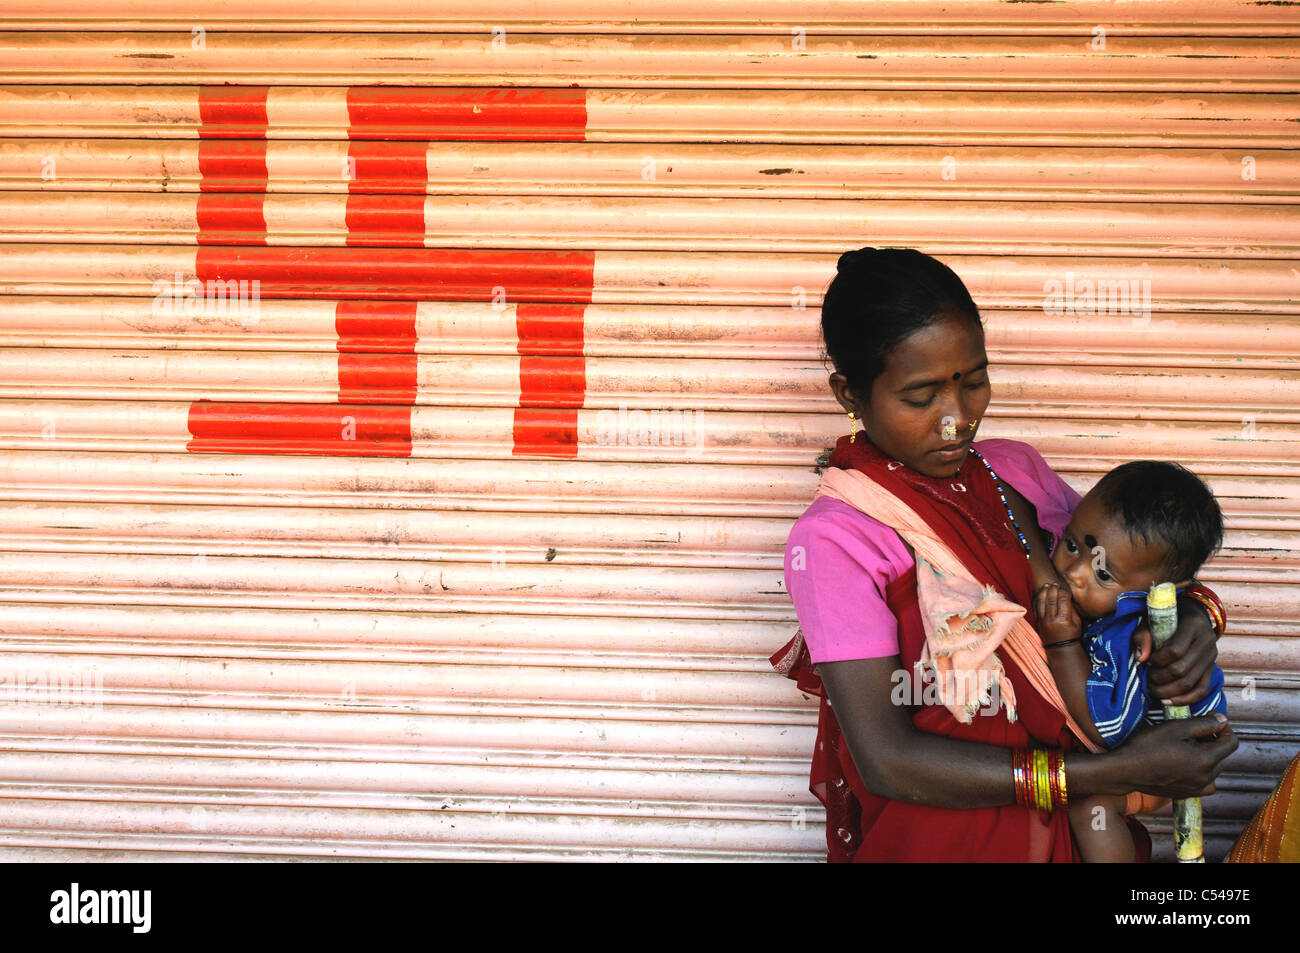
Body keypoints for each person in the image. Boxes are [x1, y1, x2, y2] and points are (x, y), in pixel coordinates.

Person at [773, 246, 1238, 862]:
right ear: (848, 393)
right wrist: (1102, 775)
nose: (957, 421)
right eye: (921, 397)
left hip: (1076, 840)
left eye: (974, 381)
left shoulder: (1015, 470)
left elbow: (1131, 571)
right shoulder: (837, 539)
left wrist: (1194, 620)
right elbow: (888, 761)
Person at [1031, 461, 1229, 862]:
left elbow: (1106, 731)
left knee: (1093, 809)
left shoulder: (1122, 635)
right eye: (1072, 545)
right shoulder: (1111, 606)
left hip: (1170, 758)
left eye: (1103, 574)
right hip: (1140, 752)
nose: (1074, 573)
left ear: (1160, 592)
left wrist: (1064, 644)